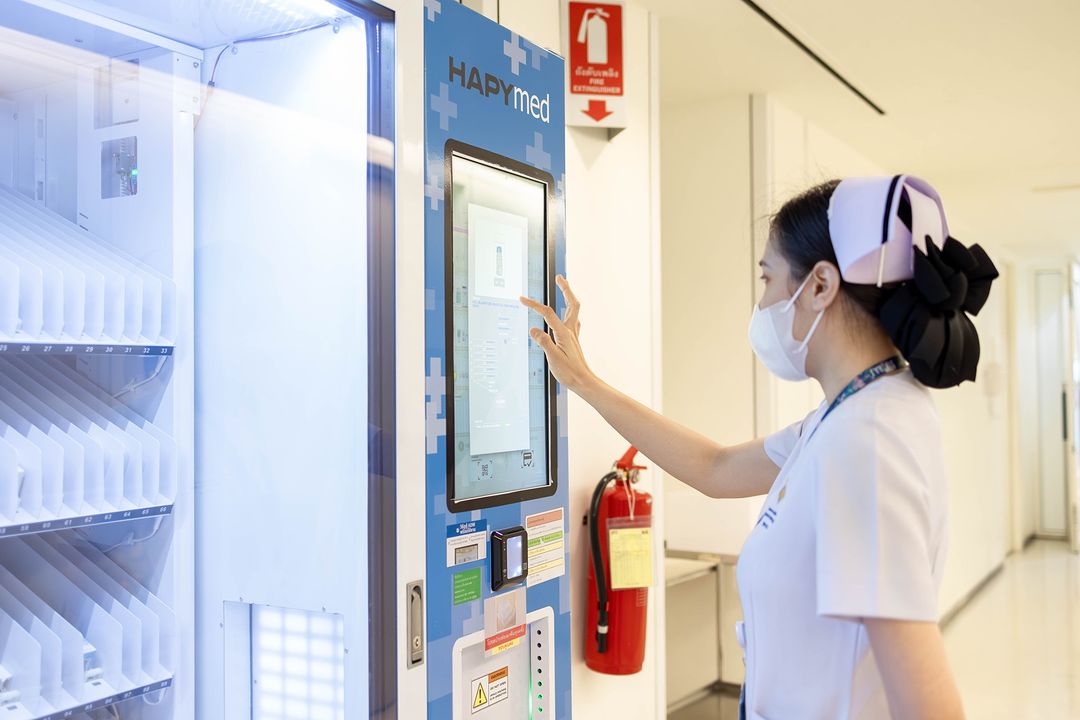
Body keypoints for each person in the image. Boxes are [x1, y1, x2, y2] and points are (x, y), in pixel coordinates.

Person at [521, 175, 999, 719]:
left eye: (768, 277)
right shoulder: (854, 412)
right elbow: (715, 467)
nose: (763, 300)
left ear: (820, 286)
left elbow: (929, 705)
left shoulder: (866, 440)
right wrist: (585, 383)